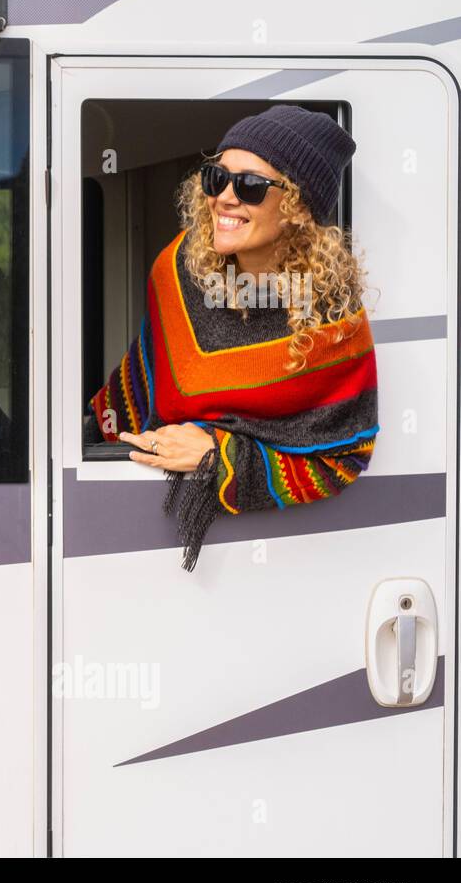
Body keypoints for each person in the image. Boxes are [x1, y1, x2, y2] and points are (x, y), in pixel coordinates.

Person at [89, 105, 378, 571]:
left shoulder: (333, 321)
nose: (224, 197)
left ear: (298, 207)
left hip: (271, 562)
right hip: (145, 535)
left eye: (250, 186)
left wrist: (217, 457)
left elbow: (343, 458)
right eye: (215, 178)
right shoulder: (179, 269)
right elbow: (146, 375)